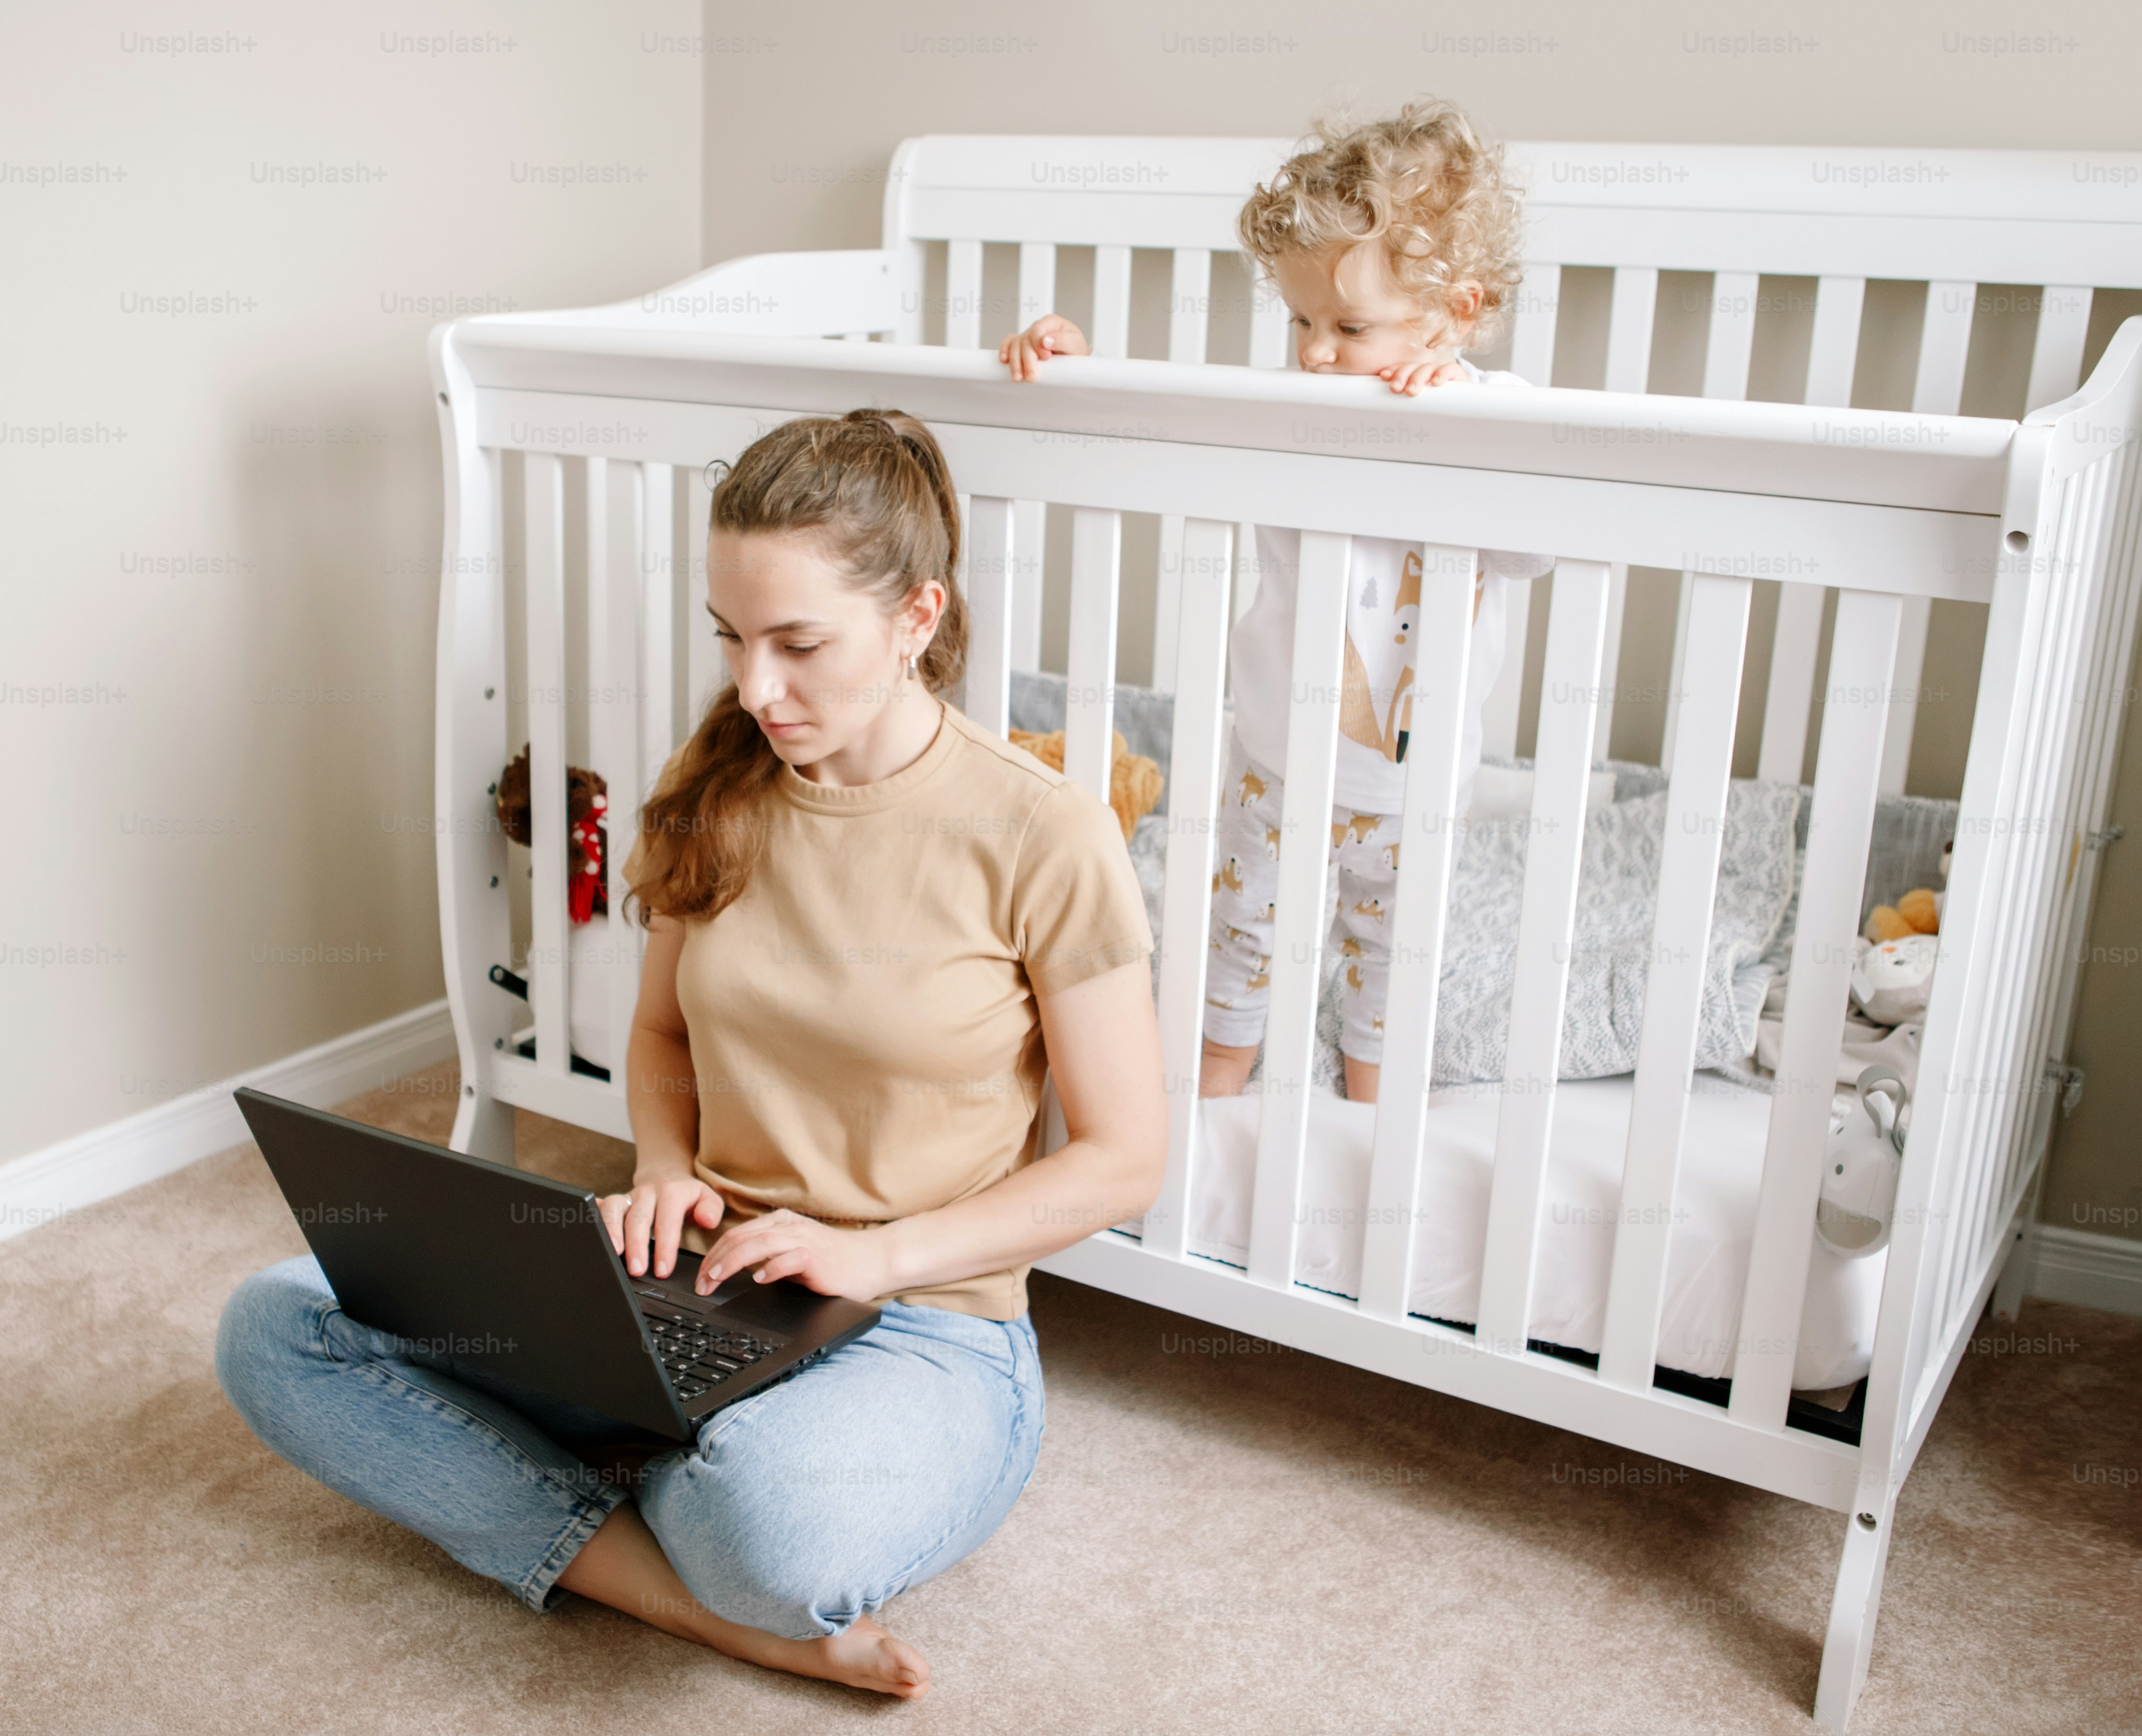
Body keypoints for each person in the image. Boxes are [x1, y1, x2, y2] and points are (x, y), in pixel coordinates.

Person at [215, 408, 1165, 1699]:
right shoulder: (718, 785)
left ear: (917, 617)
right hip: (701, 1280)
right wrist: (663, 1164)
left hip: (925, 1322)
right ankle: (701, 1607)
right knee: (281, 1326)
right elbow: (661, 1031)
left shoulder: (1045, 832)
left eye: (798, 644)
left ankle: (653, 1511)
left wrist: (875, 1254)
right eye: (731, 637)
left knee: (768, 1524)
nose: (756, 688)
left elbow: (1122, 1159)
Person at [999, 98, 1553, 1103]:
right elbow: (1166, 438)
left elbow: (1534, 551)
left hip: (1417, 785)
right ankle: (1218, 1072)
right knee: (1243, 925)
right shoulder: (1289, 412)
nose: (1315, 352)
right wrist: (1080, 374)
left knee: (1391, 946)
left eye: (1349, 327)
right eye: (1300, 320)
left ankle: (1372, 1093)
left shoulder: (1498, 416)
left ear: (1456, 311)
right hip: (1274, 756)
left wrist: (1465, 419)